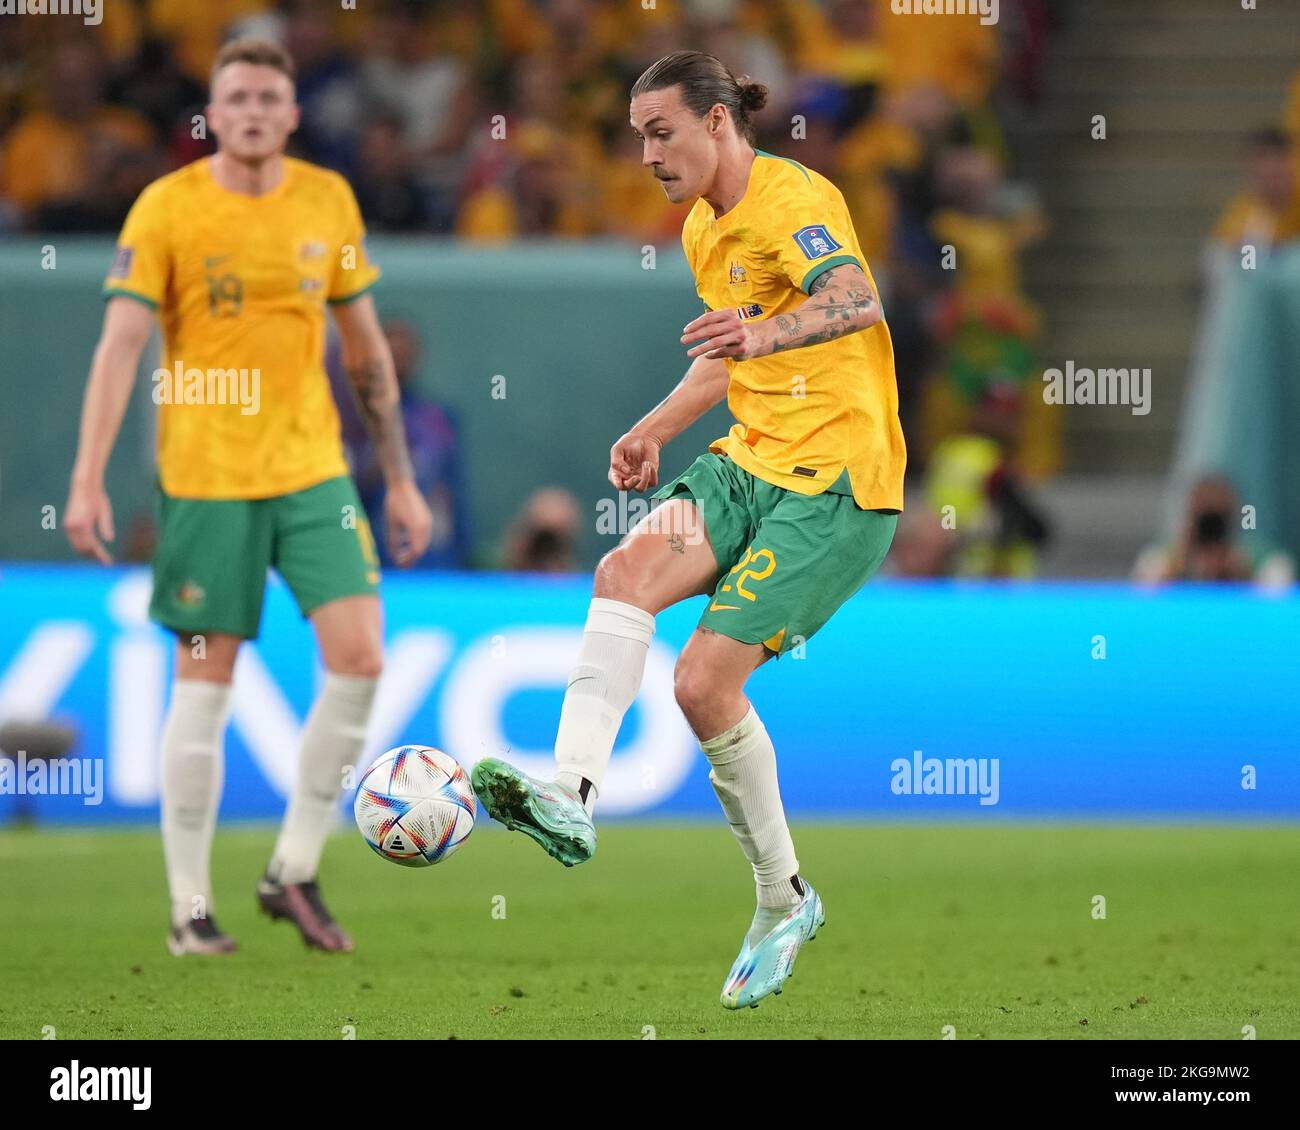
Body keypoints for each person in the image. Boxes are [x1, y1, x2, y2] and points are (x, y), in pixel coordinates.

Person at [471, 51, 906, 1010]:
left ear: (718, 121)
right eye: (638, 137)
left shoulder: (794, 200)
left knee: (703, 684)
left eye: (660, 131)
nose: (647, 155)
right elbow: (724, 353)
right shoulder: (705, 230)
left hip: (835, 482)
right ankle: (573, 800)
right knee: (623, 575)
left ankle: (782, 897)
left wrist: (762, 336)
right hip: (750, 459)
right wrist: (655, 427)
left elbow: (856, 301)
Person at [63, 39, 433, 957]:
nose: (257, 109)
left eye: (272, 95)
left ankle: (292, 871)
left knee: (360, 658)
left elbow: (365, 350)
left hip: (314, 474)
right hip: (207, 481)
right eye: (239, 97)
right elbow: (118, 348)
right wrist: (87, 478)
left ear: (295, 113)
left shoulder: (327, 199)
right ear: (214, 116)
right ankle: (191, 909)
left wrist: (403, 479)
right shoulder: (167, 209)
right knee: (206, 680)